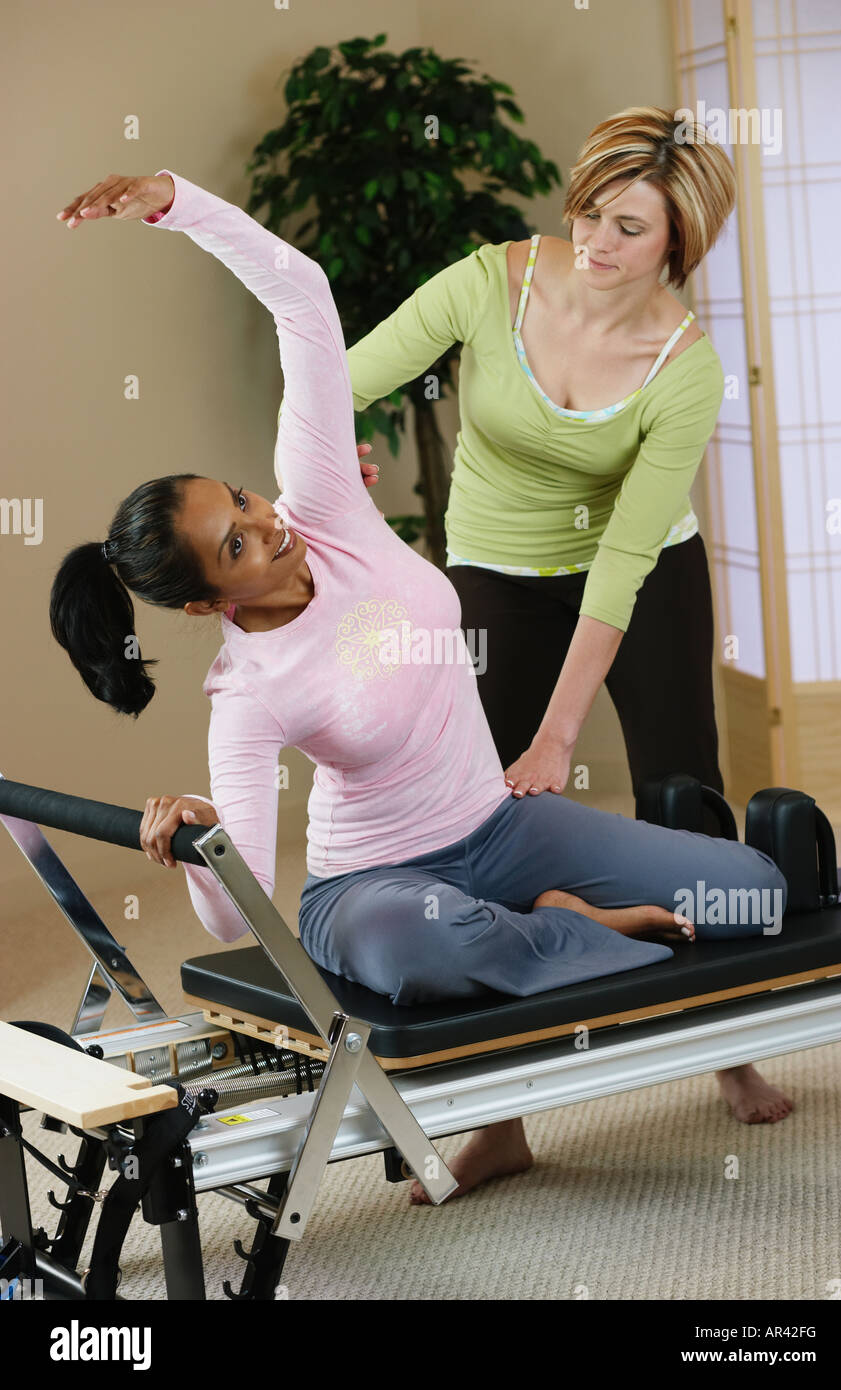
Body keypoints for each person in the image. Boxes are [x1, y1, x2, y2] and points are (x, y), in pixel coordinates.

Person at [50, 166, 786, 1206]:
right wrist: (196, 843)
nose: (273, 522)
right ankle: (568, 940)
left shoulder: (323, 502)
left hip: (498, 829)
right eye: (240, 542)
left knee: (745, 892)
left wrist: (175, 199)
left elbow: (300, 294)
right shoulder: (247, 691)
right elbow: (234, 912)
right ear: (208, 604)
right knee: (409, 949)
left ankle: (550, 931)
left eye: (247, 499)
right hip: (373, 885)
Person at [342, 108, 795, 1170]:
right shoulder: (487, 282)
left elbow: (621, 567)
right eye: (590, 211)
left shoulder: (683, 366)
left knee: (684, 789)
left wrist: (560, 738)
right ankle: (500, 1114)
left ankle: (727, 1038)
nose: (594, 241)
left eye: (628, 228)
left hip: (635, 576)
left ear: (678, 246)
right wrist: (345, 440)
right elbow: (341, 376)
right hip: (494, 569)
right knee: (479, 816)